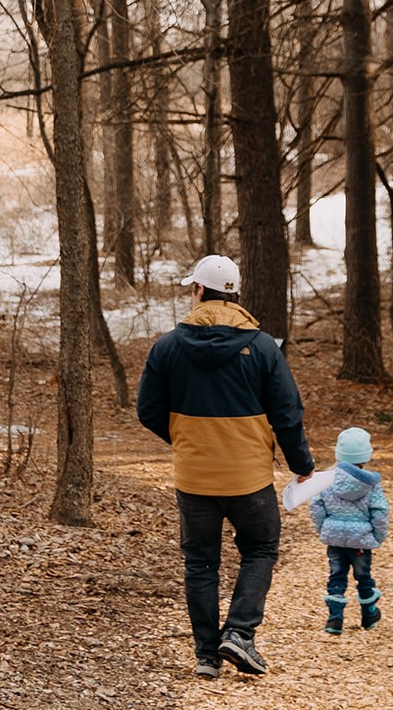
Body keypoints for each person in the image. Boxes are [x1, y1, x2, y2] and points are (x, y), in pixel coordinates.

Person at [136, 254, 315, 680]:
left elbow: (147, 410)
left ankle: (206, 656)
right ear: (234, 294)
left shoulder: (167, 346)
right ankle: (239, 632)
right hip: (249, 476)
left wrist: (185, 439)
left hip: (195, 476)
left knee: (200, 563)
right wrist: (301, 464)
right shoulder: (263, 347)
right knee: (261, 549)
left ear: (199, 291)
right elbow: (287, 412)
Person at [309, 426, 390, 635]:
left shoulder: (326, 479)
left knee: (336, 576)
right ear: (366, 455)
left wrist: (324, 529)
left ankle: (335, 619)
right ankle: (369, 613)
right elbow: (380, 511)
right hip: (361, 541)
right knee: (363, 577)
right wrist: (377, 536)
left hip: (335, 540)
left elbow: (316, 506)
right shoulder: (371, 484)